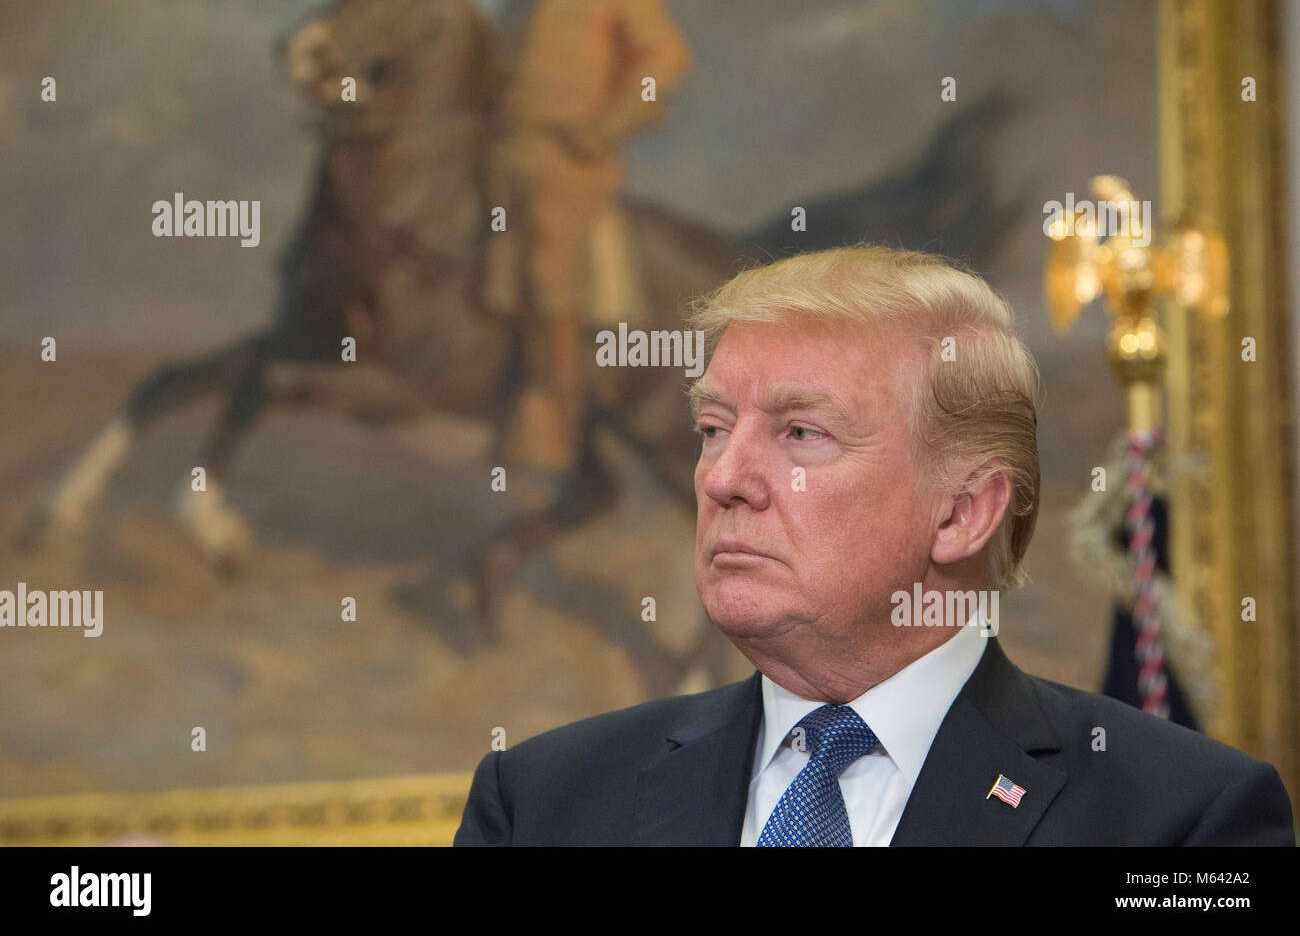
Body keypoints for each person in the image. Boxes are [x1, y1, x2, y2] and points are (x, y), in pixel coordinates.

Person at [455, 244, 1295, 845]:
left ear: (963, 512)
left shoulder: (1181, 819)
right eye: (713, 427)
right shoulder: (540, 805)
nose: (722, 478)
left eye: (800, 432)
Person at [482, 0, 692, 482]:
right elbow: (495, 73)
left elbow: (664, 61)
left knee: (549, 267)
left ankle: (552, 422)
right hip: (504, 157)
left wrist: (607, 125)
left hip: (571, 163)